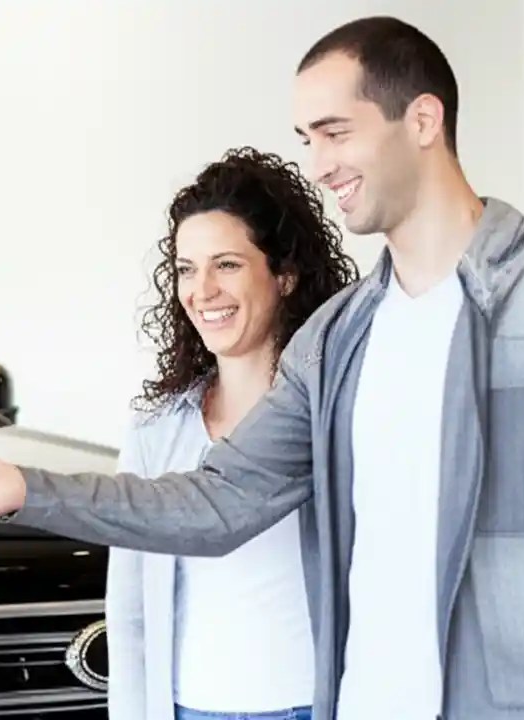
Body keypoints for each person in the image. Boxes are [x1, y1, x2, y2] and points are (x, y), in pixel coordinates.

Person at [0, 15, 524, 720]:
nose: (320, 165)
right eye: (306, 140)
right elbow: (218, 503)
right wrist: (26, 490)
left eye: (335, 132)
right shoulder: (340, 338)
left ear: (422, 119)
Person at [106, 147, 356, 720]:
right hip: (188, 710)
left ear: (285, 275)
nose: (203, 290)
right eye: (186, 269)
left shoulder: (337, 414)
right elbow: (129, 613)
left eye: (227, 264)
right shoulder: (155, 429)